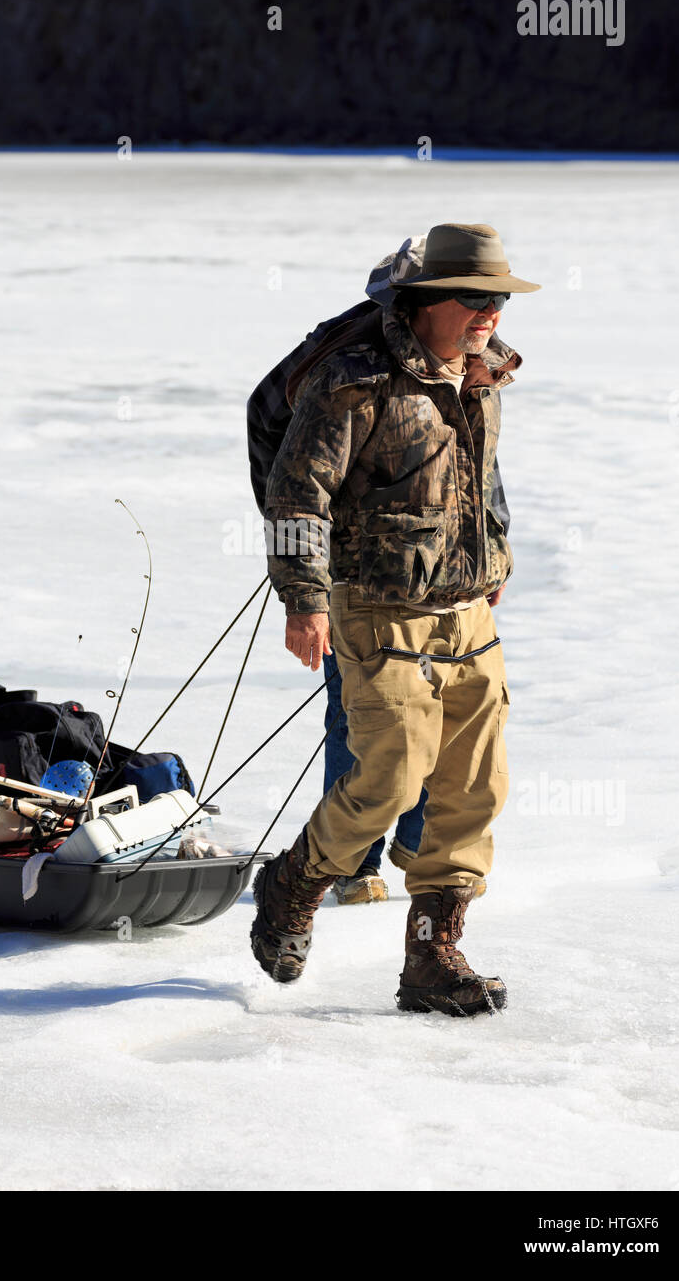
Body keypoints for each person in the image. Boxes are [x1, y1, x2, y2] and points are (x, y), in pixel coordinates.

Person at [249, 222, 539, 1016]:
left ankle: (431, 957)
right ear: (424, 302)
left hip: (468, 611)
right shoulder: (353, 381)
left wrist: (498, 556)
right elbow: (296, 497)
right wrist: (305, 599)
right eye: (474, 300)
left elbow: (482, 478)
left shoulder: (481, 374)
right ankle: (292, 887)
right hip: (379, 612)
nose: (490, 315)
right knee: (386, 782)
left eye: (498, 301)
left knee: (473, 790)